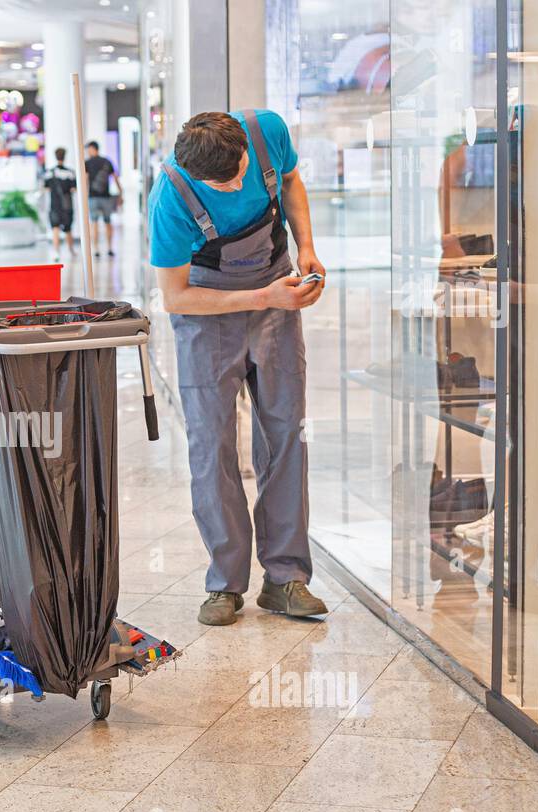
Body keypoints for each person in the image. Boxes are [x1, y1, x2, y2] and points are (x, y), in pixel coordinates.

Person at [148, 109, 328, 625]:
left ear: (246, 149)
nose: (229, 190)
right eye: (216, 184)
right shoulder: (170, 200)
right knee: (212, 445)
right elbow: (176, 297)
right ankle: (225, 584)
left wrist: (307, 249)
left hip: (276, 300)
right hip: (207, 314)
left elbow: (290, 181)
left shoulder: (268, 131)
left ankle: (286, 578)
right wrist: (260, 295)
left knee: (286, 434)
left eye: (235, 176)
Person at [84, 140, 122, 256]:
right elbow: (115, 177)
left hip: (93, 197)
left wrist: (84, 196)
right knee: (108, 222)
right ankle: (110, 248)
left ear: (92, 149)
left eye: (88, 150)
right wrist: (121, 192)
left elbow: (85, 180)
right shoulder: (107, 161)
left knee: (94, 223)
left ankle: (96, 250)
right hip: (106, 197)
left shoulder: (87, 163)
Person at [42, 147, 77, 260]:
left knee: (55, 228)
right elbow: (74, 189)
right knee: (68, 229)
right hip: (67, 205)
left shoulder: (49, 172)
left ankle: (56, 252)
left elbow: (46, 188)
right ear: (64, 156)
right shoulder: (70, 172)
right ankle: (71, 251)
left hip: (55, 205)